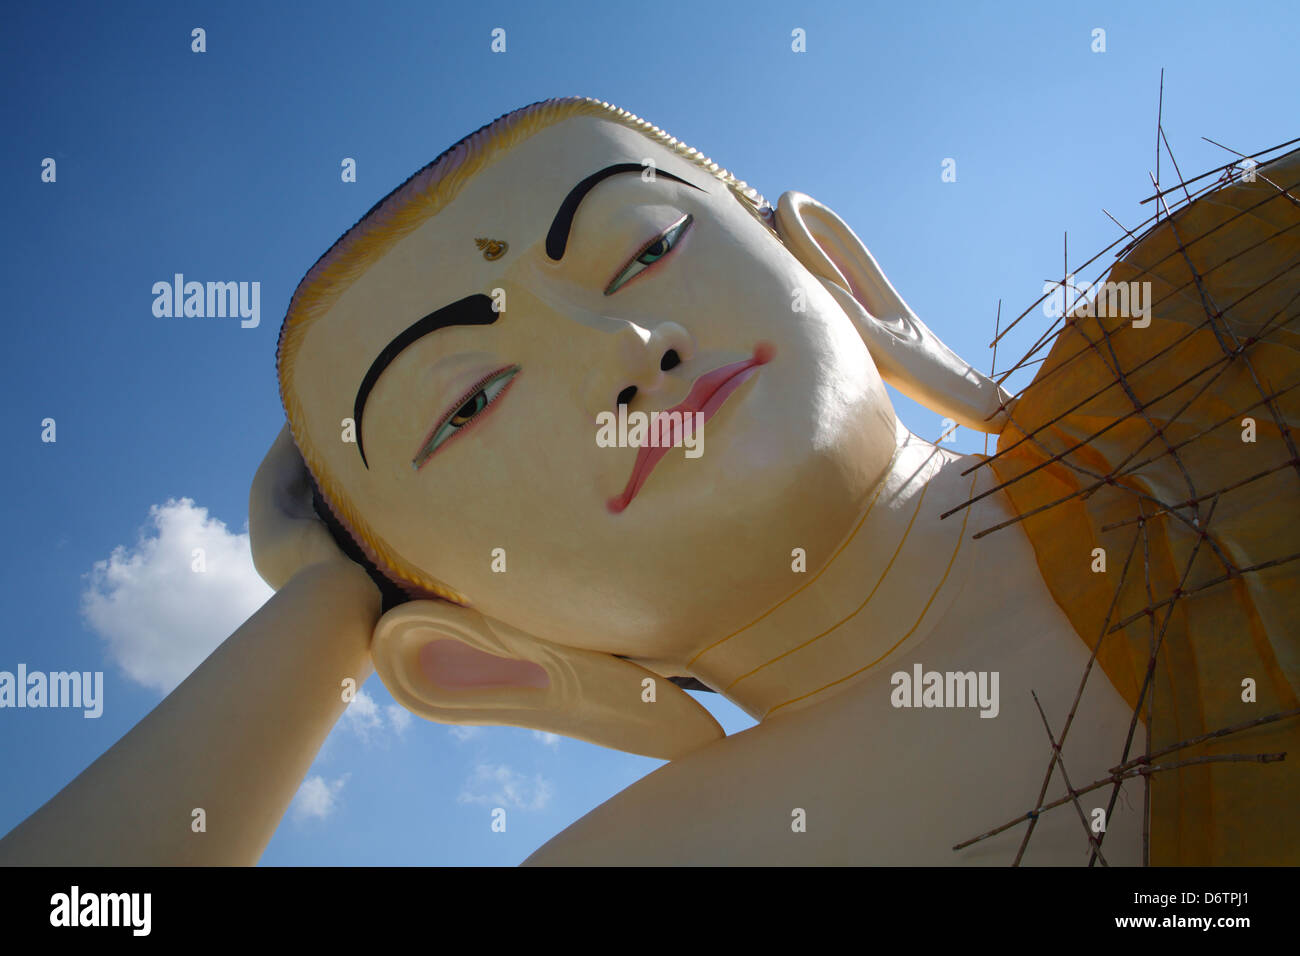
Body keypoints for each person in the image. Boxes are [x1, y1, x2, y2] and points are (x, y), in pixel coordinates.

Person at [2, 98, 1294, 865]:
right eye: (468, 403)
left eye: (644, 246)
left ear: (841, 277)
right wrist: (329, 613)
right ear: (482, 660)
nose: (628, 350)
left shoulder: (1229, 294)